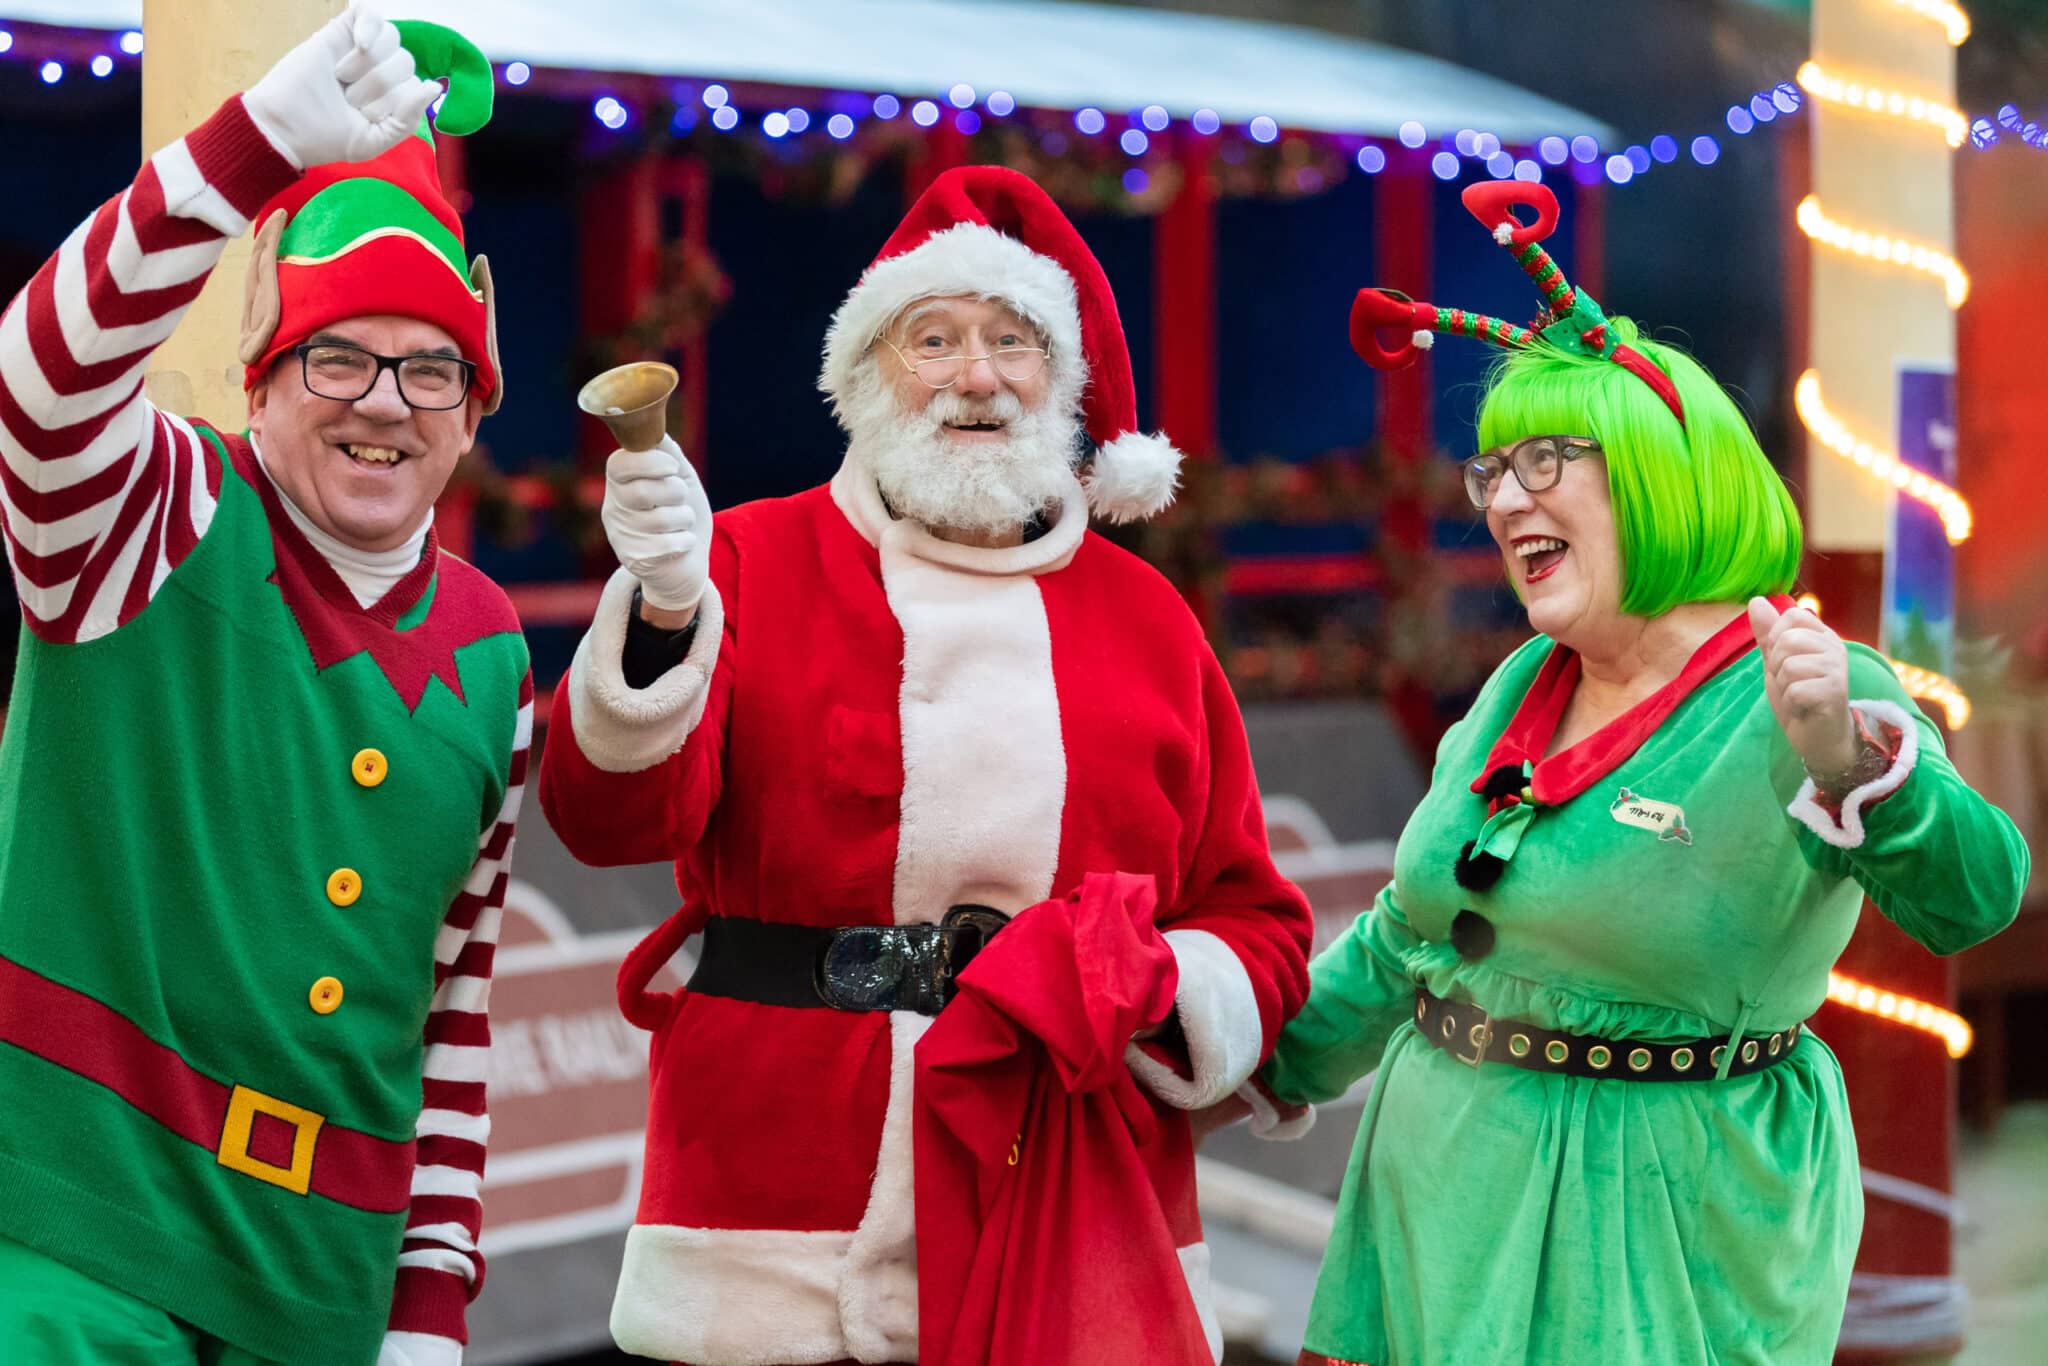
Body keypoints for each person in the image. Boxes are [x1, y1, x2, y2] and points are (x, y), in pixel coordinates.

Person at [1236, 182, 2029, 1366]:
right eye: (1490, 470)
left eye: (1546, 459)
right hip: (1434, 1208)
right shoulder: (1519, 685)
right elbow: (1413, 932)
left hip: (1665, 1229)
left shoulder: (1799, 679)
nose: (1505, 498)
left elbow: (1976, 894)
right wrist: (1232, 1050)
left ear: (1660, 474)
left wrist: (1853, 761)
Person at [539, 165, 1313, 1364]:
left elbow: (1255, 923)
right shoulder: (744, 562)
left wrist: (1148, 985)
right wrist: (659, 612)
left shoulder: (1151, 621)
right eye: (933, 337)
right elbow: (606, 819)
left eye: (1013, 341)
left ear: (1061, 389)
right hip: (768, 1223)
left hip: (1065, 1210)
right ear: (860, 377)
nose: (975, 375)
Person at [0, 10, 528, 1364]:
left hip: (325, 1285)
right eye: (337, 357)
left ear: (475, 405)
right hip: (73, 1235)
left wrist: (427, 1306)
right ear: (264, 377)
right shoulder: (156, 509)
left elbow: (453, 998)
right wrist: (249, 153)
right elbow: (44, 375)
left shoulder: (491, 648)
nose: (385, 402)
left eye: (430, 369)